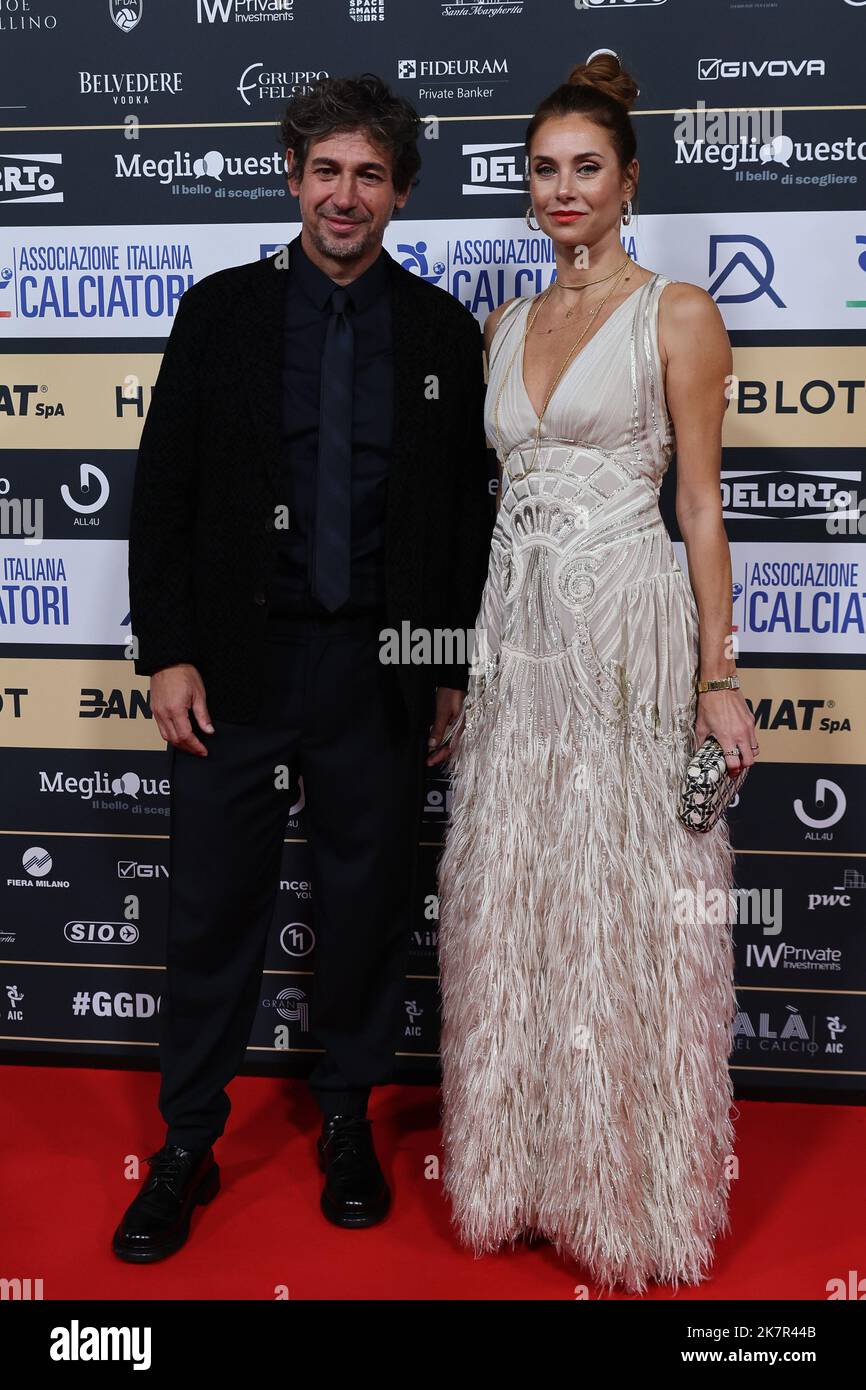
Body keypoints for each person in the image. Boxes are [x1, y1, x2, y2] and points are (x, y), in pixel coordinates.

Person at [115, 73, 492, 1262]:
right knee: (212, 907)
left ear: (401, 193)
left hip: (378, 669)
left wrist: (441, 663)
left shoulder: (438, 331)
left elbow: (457, 522)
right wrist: (168, 648)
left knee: (367, 905)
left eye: (369, 175)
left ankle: (345, 1120)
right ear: (291, 177)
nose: (345, 194)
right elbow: (161, 490)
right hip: (237, 665)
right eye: (325, 170)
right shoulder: (218, 313)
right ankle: (185, 1141)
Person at [436, 54, 759, 1294]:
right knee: (515, 888)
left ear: (628, 182)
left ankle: (630, 1190)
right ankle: (520, 1171)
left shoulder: (675, 311)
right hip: (517, 633)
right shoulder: (499, 327)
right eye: (542, 170)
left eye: (586, 168)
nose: (561, 189)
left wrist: (717, 678)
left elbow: (698, 504)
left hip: (627, 630)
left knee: (626, 894)